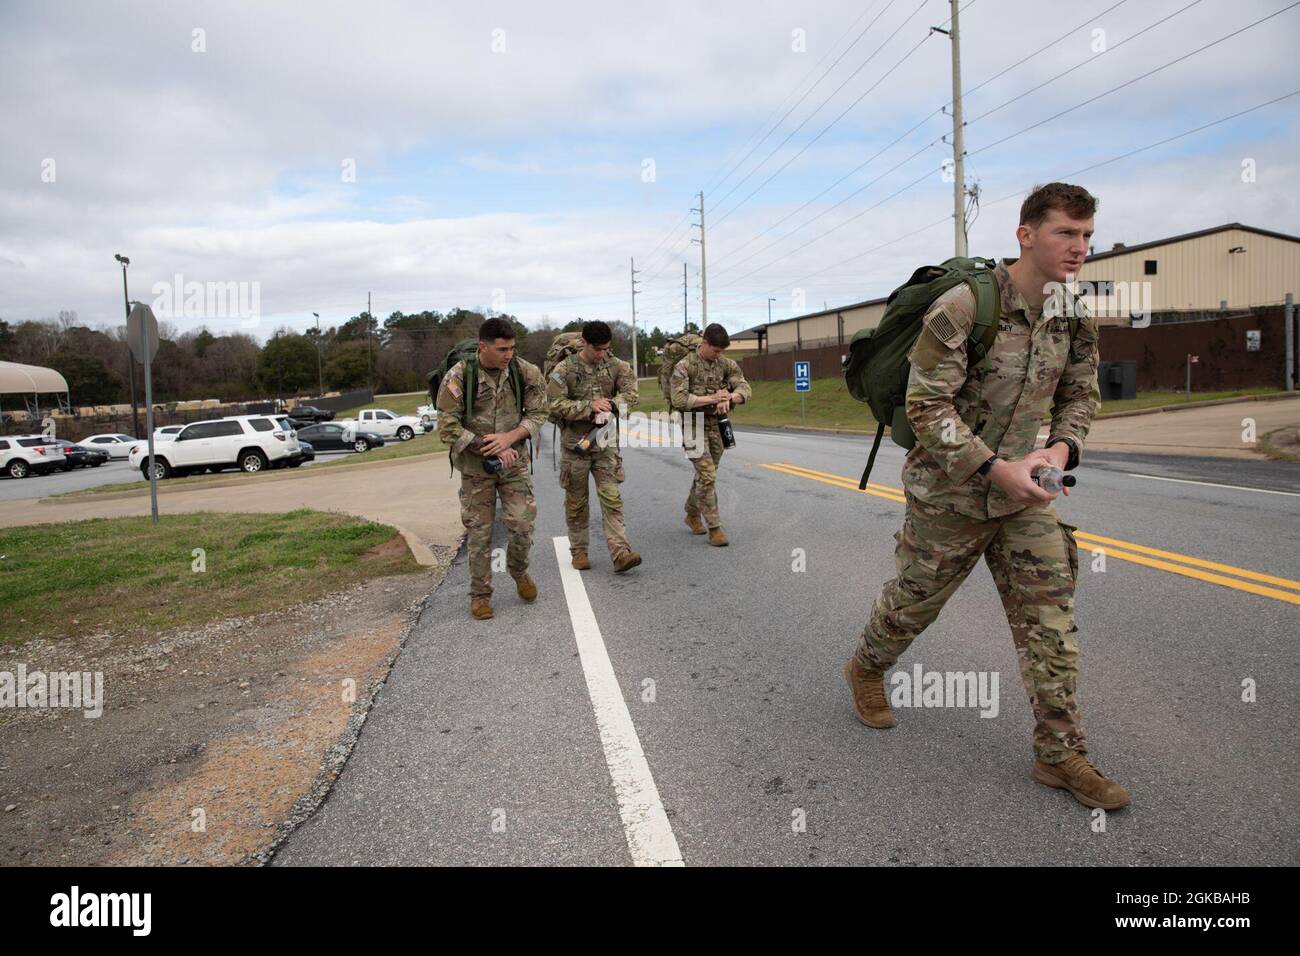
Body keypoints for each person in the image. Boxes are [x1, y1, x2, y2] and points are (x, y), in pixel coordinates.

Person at [844, 182, 1132, 811]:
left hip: (1026, 497)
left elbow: (1081, 396)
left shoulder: (1075, 311)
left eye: (1087, 235)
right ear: (1026, 234)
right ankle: (867, 666)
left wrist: (1060, 451)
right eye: (1065, 233)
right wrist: (992, 469)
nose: (1079, 247)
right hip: (950, 496)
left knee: (1050, 625)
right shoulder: (964, 305)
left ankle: (1059, 755)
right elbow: (926, 405)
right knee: (913, 606)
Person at [435, 317, 548, 620]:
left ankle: (519, 570)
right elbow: (446, 426)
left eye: (512, 347)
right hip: (476, 469)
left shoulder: (524, 371)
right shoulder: (459, 377)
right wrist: (487, 445)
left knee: (522, 525)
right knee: (480, 534)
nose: (508, 354)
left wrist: (509, 439)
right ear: (482, 347)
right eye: (501, 349)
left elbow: (539, 413)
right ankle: (480, 594)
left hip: (514, 464)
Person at [545, 320, 642, 573]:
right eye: (597, 349)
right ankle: (579, 551)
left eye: (605, 349)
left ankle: (620, 552)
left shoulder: (616, 366)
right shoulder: (564, 369)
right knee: (577, 502)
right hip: (574, 446)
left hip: (606, 444)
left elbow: (632, 394)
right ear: (584, 344)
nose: (601, 354)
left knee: (612, 498)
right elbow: (552, 405)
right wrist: (588, 407)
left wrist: (611, 403)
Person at [668, 323, 752, 547]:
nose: (718, 355)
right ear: (704, 343)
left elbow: (744, 388)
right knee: (707, 474)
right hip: (692, 422)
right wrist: (712, 399)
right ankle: (714, 528)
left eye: (722, 351)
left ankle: (692, 512)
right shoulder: (685, 366)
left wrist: (730, 398)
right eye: (715, 350)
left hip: (718, 424)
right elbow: (679, 399)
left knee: (708, 473)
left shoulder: (725, 364)